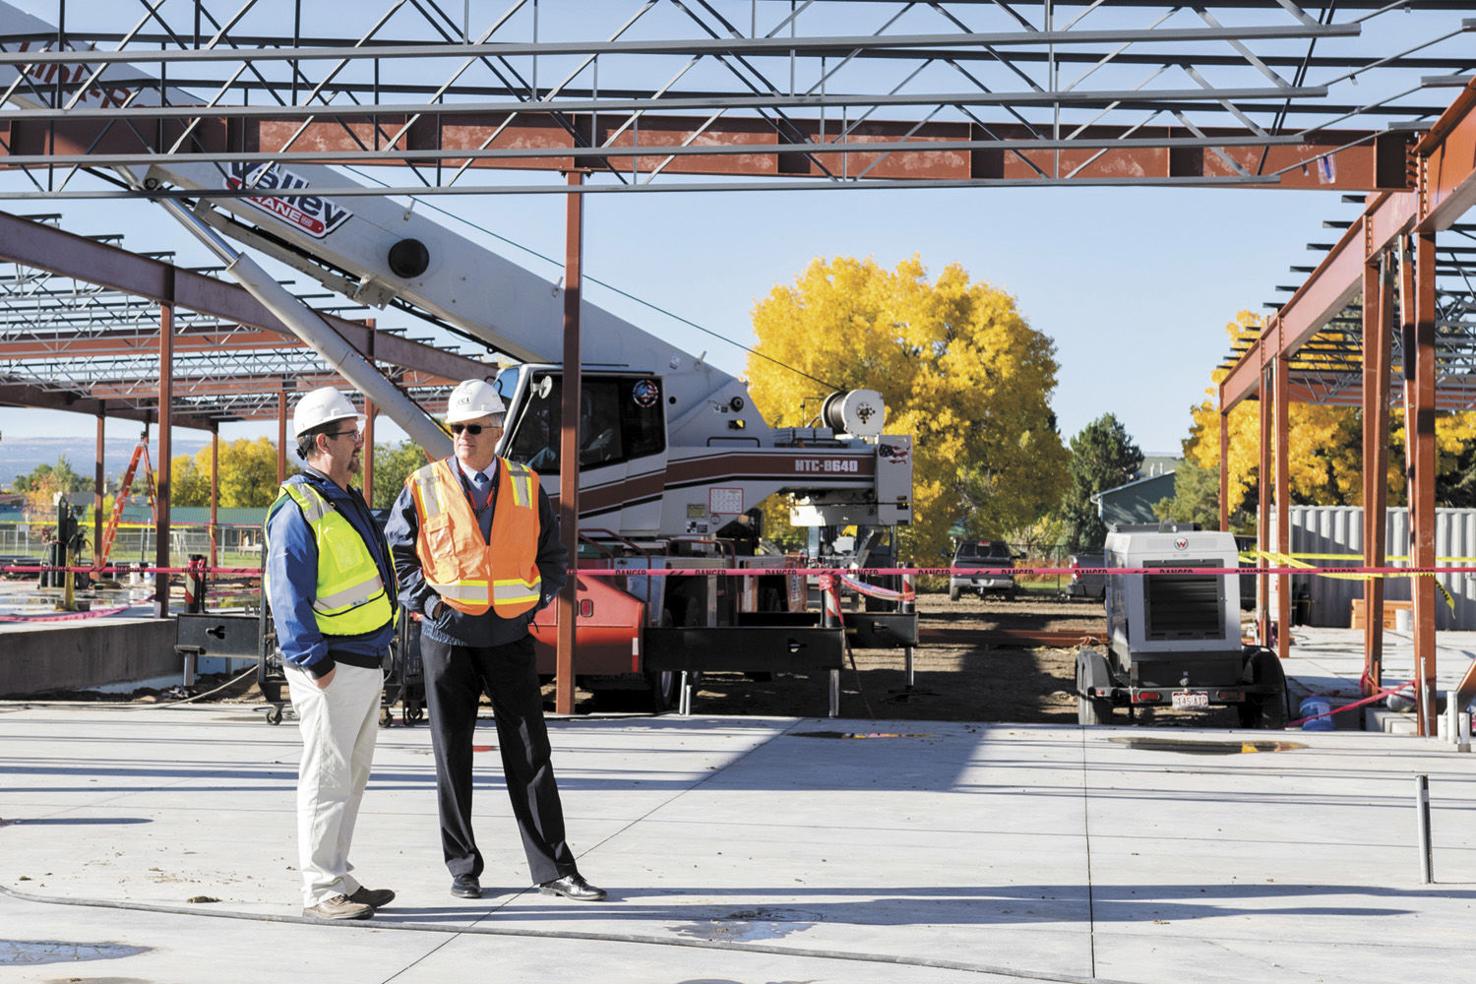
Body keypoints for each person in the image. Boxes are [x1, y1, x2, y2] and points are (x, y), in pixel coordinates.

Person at [385, 378, 605, 902]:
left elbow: (553, 559)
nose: (462, 435)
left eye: (474, 427)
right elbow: (398, 555)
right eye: (456, 427)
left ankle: (554, 868)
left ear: (497, 430)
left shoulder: (528, 486)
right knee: (452, 754)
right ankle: (463, 868)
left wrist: (532, 602)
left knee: (531, 753)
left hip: (509, 636)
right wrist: (431, 605)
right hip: (446, 638)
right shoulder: (423, 484)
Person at [265, 387, 398, 921]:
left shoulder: (346, 497)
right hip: (331, 667)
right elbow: (286, 591)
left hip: (363, 661)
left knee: (350, 776)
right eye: (351, 434)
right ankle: (321, 891)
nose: (359, 440)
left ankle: (339, 876)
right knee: (325, 777)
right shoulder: (299, 509)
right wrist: (313, 661)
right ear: (322, 442)